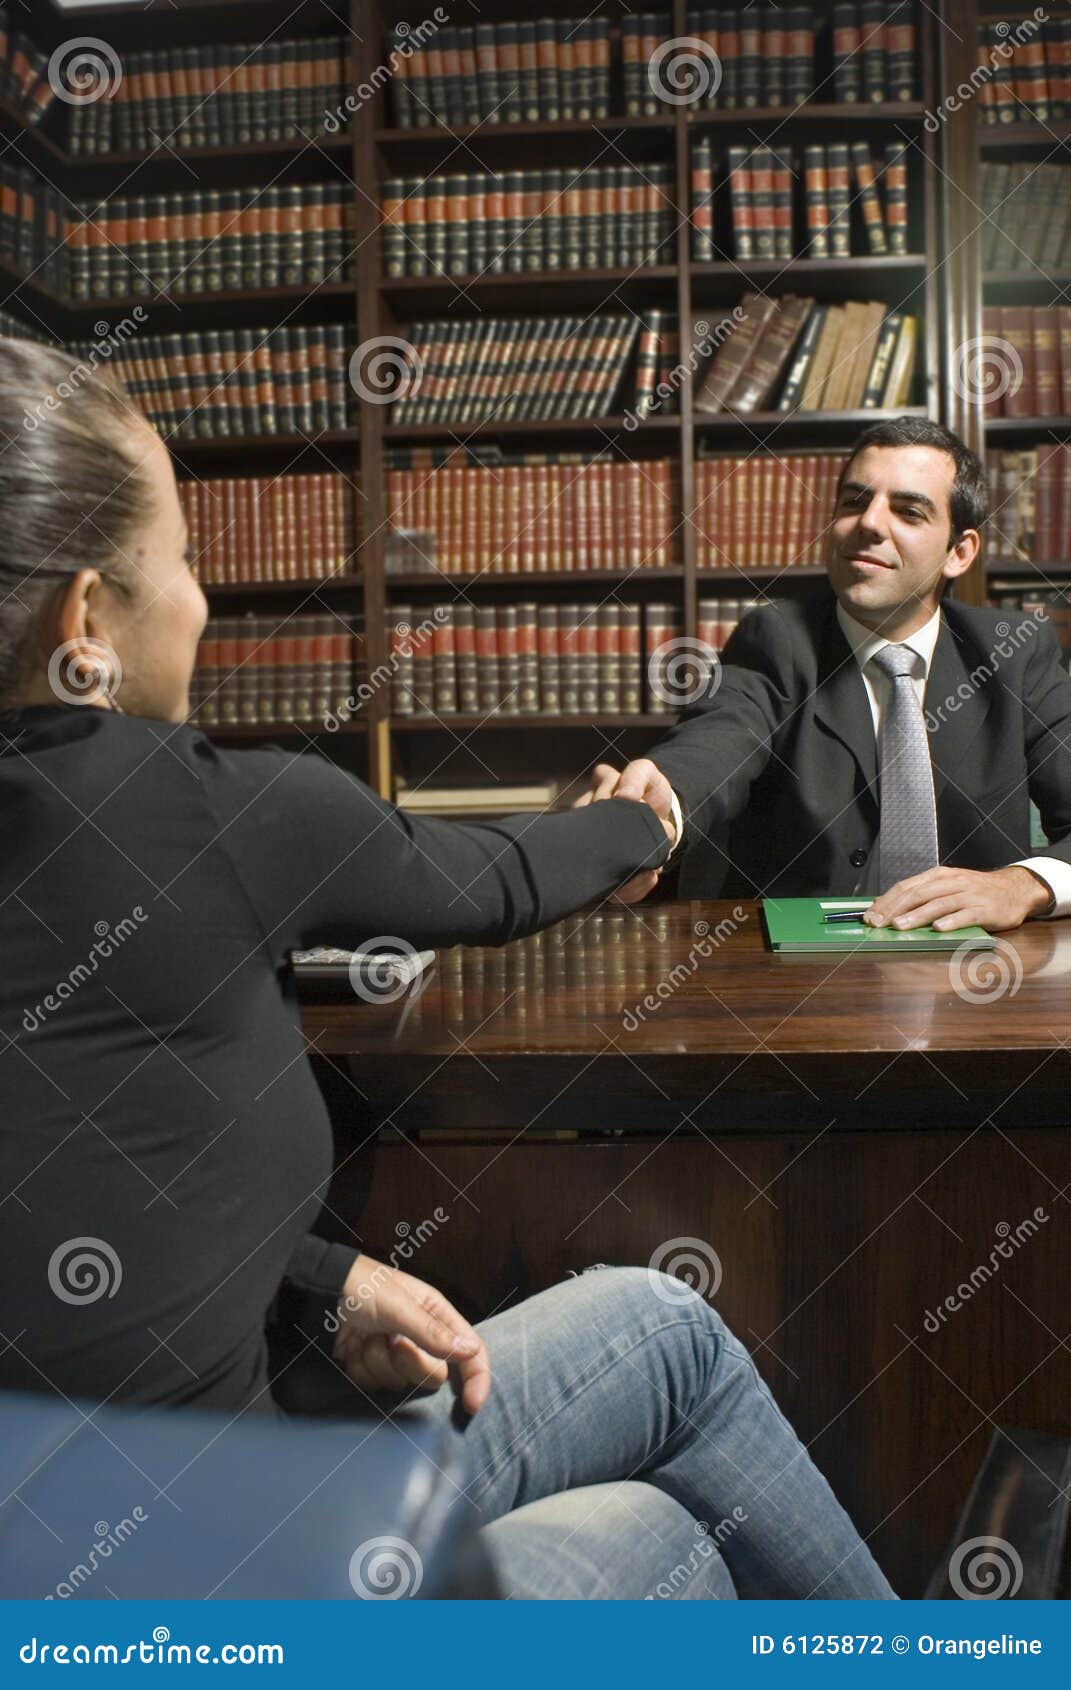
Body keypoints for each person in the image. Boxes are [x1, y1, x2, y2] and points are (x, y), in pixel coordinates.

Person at [0, 339, 893, 1600]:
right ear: (86, 619)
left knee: (660, 1334)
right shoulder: (210, 814)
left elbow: (73, 1197)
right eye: (185, 560)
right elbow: (505, 880)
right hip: (219, 1589)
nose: (203, 602)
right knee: (674, 1539)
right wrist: (643, 822)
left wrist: (321, 1280)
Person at [581, 418, 1071, 934]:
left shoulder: (1013, 654)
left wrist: (1019, 886)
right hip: (802, 973)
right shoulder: (777, 639)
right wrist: (661, 809)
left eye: (907, 511)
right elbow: (714, 746)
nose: (870, 524)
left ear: (959, 552)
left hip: (977, 975)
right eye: (854, 502)